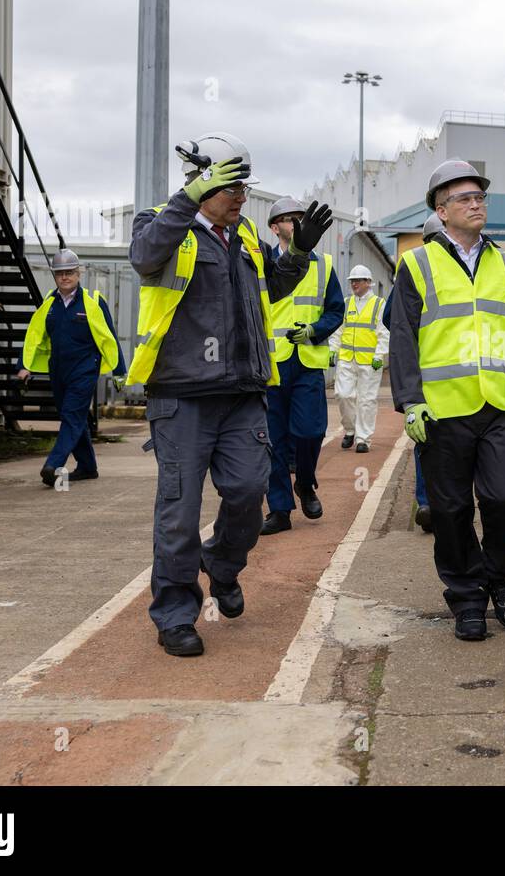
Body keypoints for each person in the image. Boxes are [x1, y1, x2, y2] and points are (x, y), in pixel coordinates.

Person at [128, 133, 332, 656]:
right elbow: (145, 258)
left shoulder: (241, 235)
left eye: (245, 186)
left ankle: (220, 564)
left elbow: (274, 286)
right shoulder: (161, 222)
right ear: (203, 182)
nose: (243, 196)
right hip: (182, 395)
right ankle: (176, 613)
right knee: (179, 510)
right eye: (233, 186)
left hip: (243, 392)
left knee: (246, 496)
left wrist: (299, 252)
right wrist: (190, 198)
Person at [389, 159, 505, 641]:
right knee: (451, 510)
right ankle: (466, 598)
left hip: (499, 405)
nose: (477, 203)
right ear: (442, 210)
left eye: (480, 196)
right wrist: (410, 401)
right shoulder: (416, 264)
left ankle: (499, 577)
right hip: (442, 410)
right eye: (465, 198)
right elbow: (403, 337)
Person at [260, 197, 344, 536]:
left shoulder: (324, 264)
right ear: (274, 227)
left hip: (307, 361)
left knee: (310, 432)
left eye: (299, 218)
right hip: (271, 364)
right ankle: (279, 510)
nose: (295, 223)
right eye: (288, 219)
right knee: (273, 442)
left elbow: (336, 310)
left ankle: (305, 483)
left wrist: (315, 330)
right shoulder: (262, 263)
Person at [17, 249, 126, 486]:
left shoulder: (93, 302)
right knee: (75, 418)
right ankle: (87, 467)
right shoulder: (50, 303)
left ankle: (54, 464)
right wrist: (24, 365)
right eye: (60, 274)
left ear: (78, 274)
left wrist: (119, 370)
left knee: (71, 415)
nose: (65, 277)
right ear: (55, 276)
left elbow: (109, 337)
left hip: (85, 369)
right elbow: (34, 336)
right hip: (58, 370)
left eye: (69, 273)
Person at [381, 211, 446, 534]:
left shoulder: (416, 267)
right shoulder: (420, 269)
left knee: (430, 438)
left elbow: (388, 316)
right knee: (429, 435)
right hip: (432, 369)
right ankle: (430, 504)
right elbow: (392, 317)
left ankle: (430, 502)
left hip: (440, 369)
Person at [330, 264, 388, 453]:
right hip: (347, 358)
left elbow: (384, 332)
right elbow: (339, 330)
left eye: (358, 280)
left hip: (370, 361)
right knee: (343, 395)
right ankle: (350, 429)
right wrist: (333, 349)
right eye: (352, 281)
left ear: (368, 282)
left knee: (367, 400)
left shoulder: (380, 304)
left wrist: (380, 354)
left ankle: (363, 439)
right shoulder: (346, 303)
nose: (354, 283)